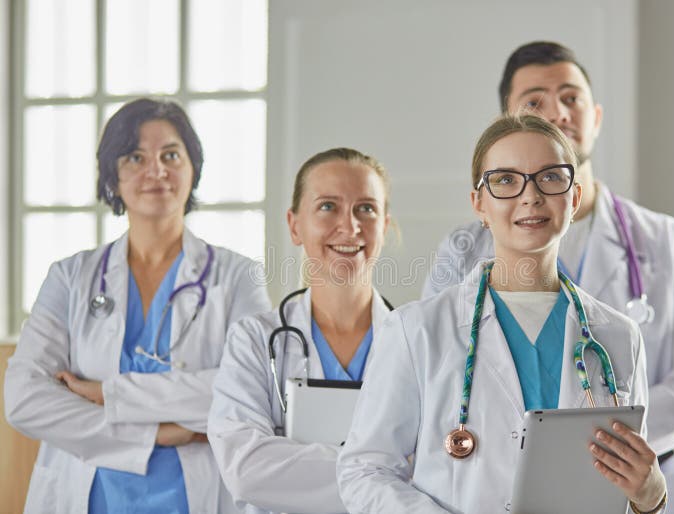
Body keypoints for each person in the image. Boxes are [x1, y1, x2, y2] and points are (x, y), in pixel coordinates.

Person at [421, 41, 674, 513]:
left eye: (572, 98)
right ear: (508, 117)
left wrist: (604, 446)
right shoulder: (463, 251)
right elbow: (435, 378)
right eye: (535, 101)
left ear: (597, 116)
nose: (558, 112)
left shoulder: (665, 241)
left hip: (638, 490)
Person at [338, 114, 668, 513]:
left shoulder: (618, 336)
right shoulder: (417, 330)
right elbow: (364, 471)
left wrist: (650, 499)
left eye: (550, 177)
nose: (531, 196)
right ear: (479, 203)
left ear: (575, 197)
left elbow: (620, 490)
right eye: (507, 180)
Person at [4, 98, 271, 513]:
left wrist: (107, 393)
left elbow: (248, 389)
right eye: (135, 157)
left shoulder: (238, 277)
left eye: (170, 155)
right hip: (90, 495)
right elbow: (24, 400)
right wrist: (161, 433)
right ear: (113, 175)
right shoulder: (70, 278)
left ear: (192, 168)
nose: (156, 171)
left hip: (193, 494)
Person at [208, 148, 394, 513]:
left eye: (366, 208)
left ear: (385, 226)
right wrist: (385, 469)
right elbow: (246, 470)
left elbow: (440, 466)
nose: (350, 226)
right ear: (295, 226)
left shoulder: (415, 341)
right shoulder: (254, 340)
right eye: (328, 206)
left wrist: (295, 466)